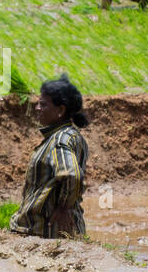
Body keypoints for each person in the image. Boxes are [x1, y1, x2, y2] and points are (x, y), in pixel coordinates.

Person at [10, 74, 89, 238]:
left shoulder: (60, 139)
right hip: (52, 232)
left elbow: (71, 174)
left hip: (47, 233)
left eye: (43, 104)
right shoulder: (69, 136)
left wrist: (63, 208)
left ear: (60, 110)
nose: (37, 108)